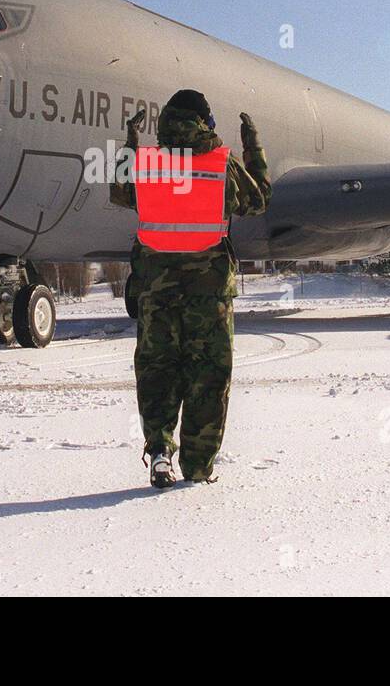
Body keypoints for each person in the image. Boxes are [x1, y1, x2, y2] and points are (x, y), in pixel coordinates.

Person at [110, 89, 270, 487]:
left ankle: (160, 449)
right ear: (206, 122)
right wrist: (253, 147)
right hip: (209, 297)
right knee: (208, 376)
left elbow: (118, 191)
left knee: (157, 371)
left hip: (155, 295)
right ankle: (198, 465)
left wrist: (130, 145)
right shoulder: (221, 164)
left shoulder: (148, 163)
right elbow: (259, 199)